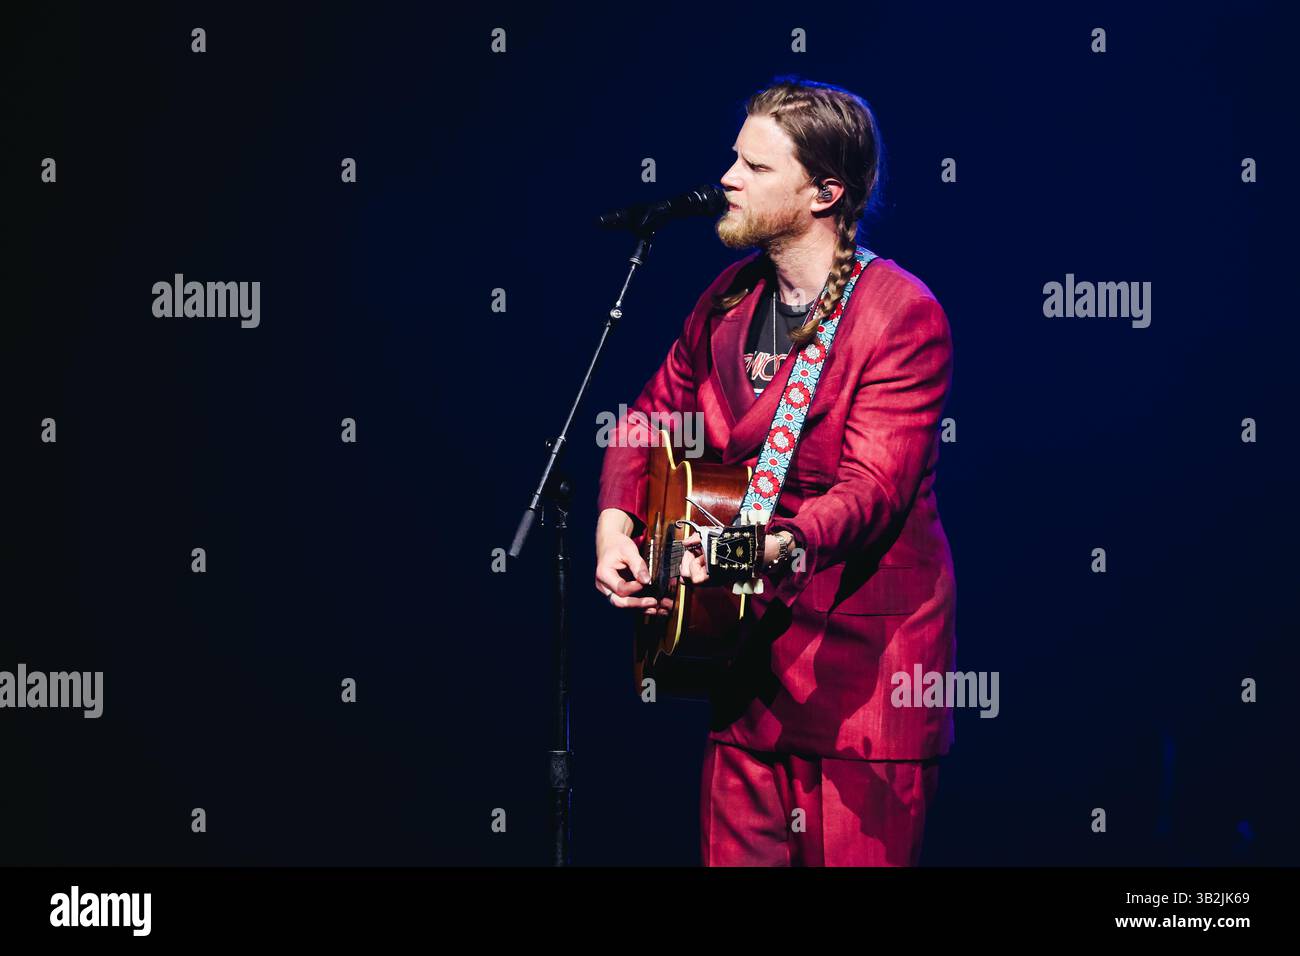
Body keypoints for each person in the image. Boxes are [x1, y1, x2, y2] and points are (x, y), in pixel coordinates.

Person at [593, 77, 956, 867]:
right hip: (738, 661)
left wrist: (769, 546)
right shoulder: (727, 299)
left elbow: (872, 492)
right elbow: (651, 417)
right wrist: (615, 522)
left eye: (756, 168)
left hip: (860, 690)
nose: (727, 177)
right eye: (734, 158)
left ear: (825, 192)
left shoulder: (899, 316)